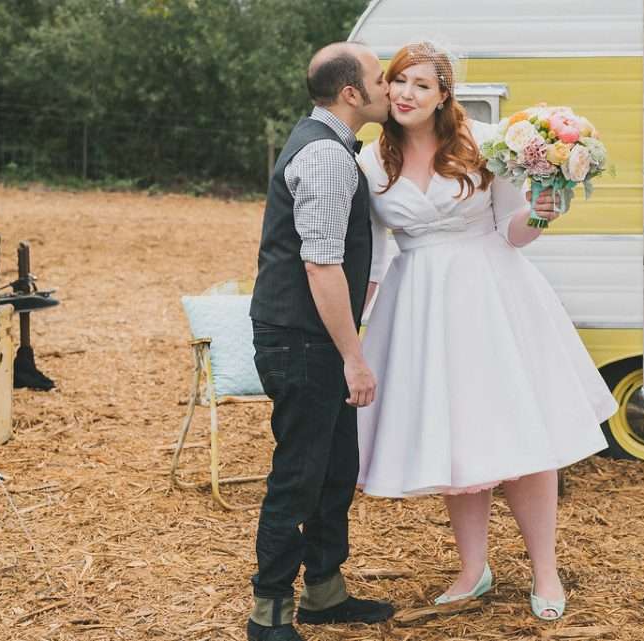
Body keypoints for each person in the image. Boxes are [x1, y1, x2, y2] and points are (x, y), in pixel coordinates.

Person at [356, 42, 619, 622]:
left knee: (524, 436)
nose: (406, 93)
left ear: (444, 95)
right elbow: (373, 259)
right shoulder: (370, 161)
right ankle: (473, 570)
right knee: (457, 437)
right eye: (399, 81)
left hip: (494, 298)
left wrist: (544, 213)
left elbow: (511, 230)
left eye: (422, 85)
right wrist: (351, 339)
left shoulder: (485, 144)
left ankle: (545, 571)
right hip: (420, 308)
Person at [247, 42, 395, 641]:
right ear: (352, 94)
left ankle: (324, 592)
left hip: (311, 340)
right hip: (303, 342)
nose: (390, 89)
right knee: (300, 474)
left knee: (336, 468)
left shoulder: (329, 144)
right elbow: (321, 267)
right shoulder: (328, 158)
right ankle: (270, 611)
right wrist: (353, 357)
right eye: (381, 79)